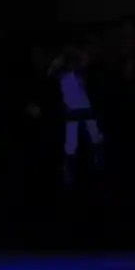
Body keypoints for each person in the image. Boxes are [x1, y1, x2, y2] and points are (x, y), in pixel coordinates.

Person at [50, 45, 104, 185]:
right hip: (73, 113)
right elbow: (52, 71)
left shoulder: (80, 73)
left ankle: (97, 164)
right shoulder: (63, 75)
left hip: (85, 111)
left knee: (95, 139)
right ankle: (69, 172)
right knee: (72, 145)